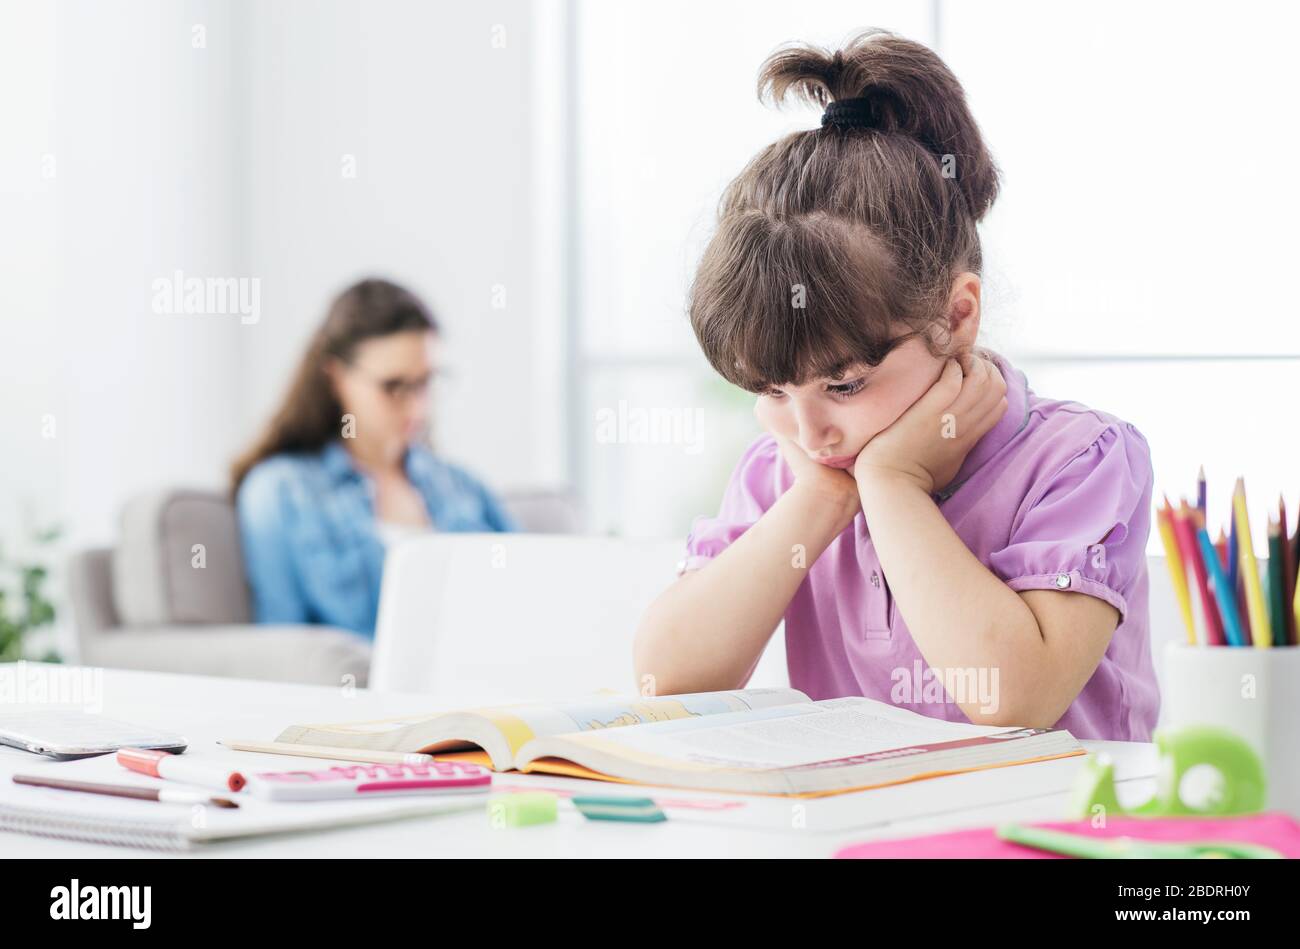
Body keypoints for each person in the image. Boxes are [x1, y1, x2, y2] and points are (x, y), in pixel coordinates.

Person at [633, 30, 1157, 741]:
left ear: (957, 316)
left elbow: (1014, 697)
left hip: (1049, 838)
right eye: (775, 391)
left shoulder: (1080, 459)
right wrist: (818, 500)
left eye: (844, 386)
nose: (809, 431)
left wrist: (894, 484)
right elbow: (664, 679)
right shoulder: (786, 474)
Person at [232, 278, 515, 637]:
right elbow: (284, 650)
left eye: (426, 383)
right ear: (335, 376)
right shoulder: (280, 492)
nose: (417, 407)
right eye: (393, 386)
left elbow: (531, 598)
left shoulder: (464, 488)